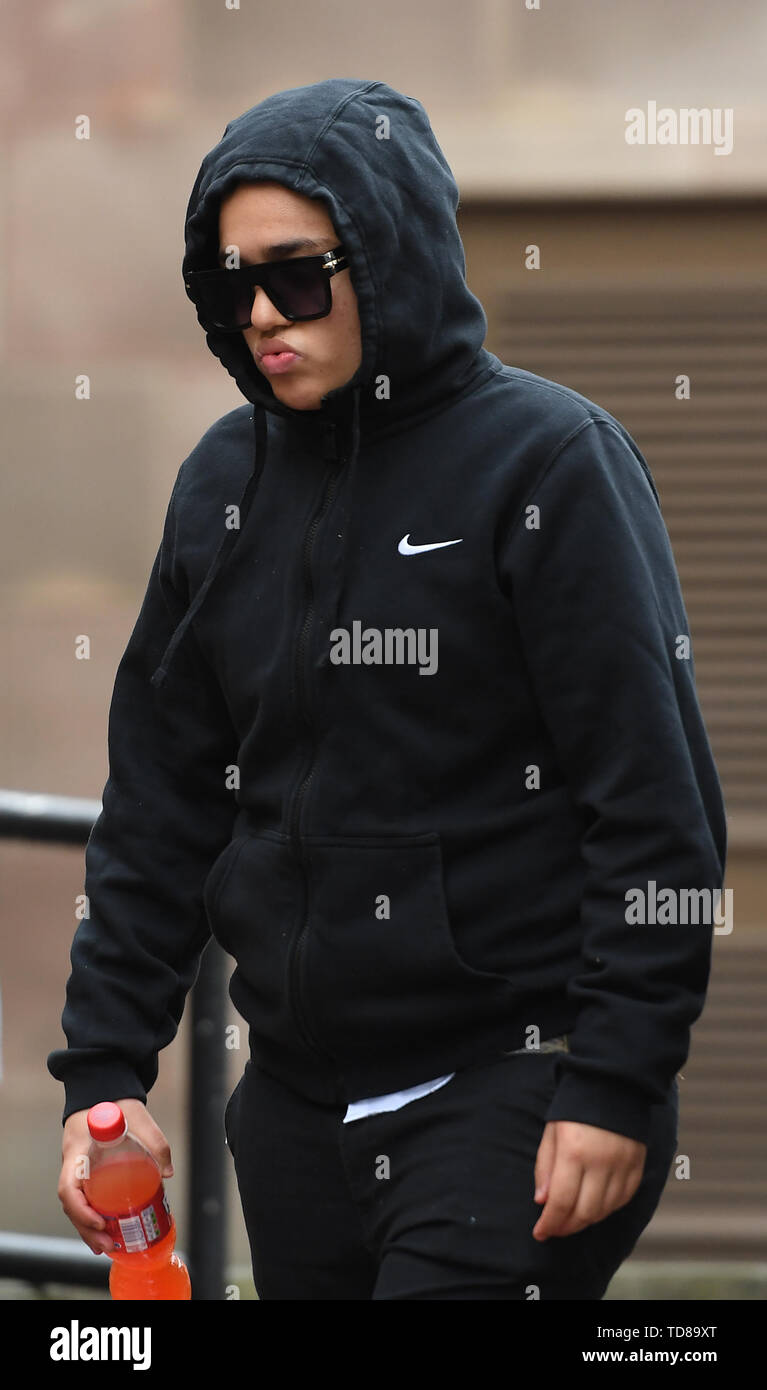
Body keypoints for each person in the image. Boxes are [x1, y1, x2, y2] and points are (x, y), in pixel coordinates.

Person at [49, 78, 727, 1301]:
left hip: (513, 1090)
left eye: (298, 276)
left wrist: (615, 1079)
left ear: (390, 256)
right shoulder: (219, 484)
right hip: (296, 1116)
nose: (260, 312)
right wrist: (105, 1074)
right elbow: (159, 807)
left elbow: (655, 810)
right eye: (227, 282)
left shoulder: (550, 463)